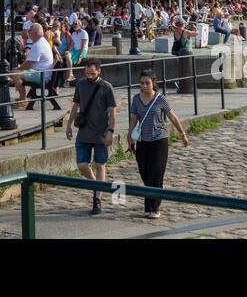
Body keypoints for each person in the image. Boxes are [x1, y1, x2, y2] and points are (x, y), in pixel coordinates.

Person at [127, 70, 188, 219]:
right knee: (144, 172)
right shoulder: (136, 99)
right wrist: (130, 139)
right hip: (143, 141)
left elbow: (173, 117)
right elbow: (133, 121)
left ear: (153, 83)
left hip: (159, 140)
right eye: (142, 83)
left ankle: (153, 207)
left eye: (147, 83)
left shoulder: (160, 99)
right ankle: (157, 192)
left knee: (155, 171)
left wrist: (183, 134)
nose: (145, 86)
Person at [66, 60, 117, 215]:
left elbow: (112, 112)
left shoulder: (106, 87)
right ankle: (97, 185)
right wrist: (68, 125)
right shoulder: (81, 84)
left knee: (100, 164)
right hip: (84, 132)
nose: (89, 76)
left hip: (101, 133)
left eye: (92, 73)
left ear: (99, 71)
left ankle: (97, 199)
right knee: (81, 164)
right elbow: (75, 106)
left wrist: (110, 131)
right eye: (87, 73)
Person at [10, 22, 53, 102]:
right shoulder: (41, 41)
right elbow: (29, 63)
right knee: (15, 73)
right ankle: (20, 91)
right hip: (42, 72)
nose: (28, 32)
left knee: (15, 74)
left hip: (42, 75)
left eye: (30, 30)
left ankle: (23, 99)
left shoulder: (38, 45)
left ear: (35, 32)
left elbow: (29, 64)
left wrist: (18, 69)